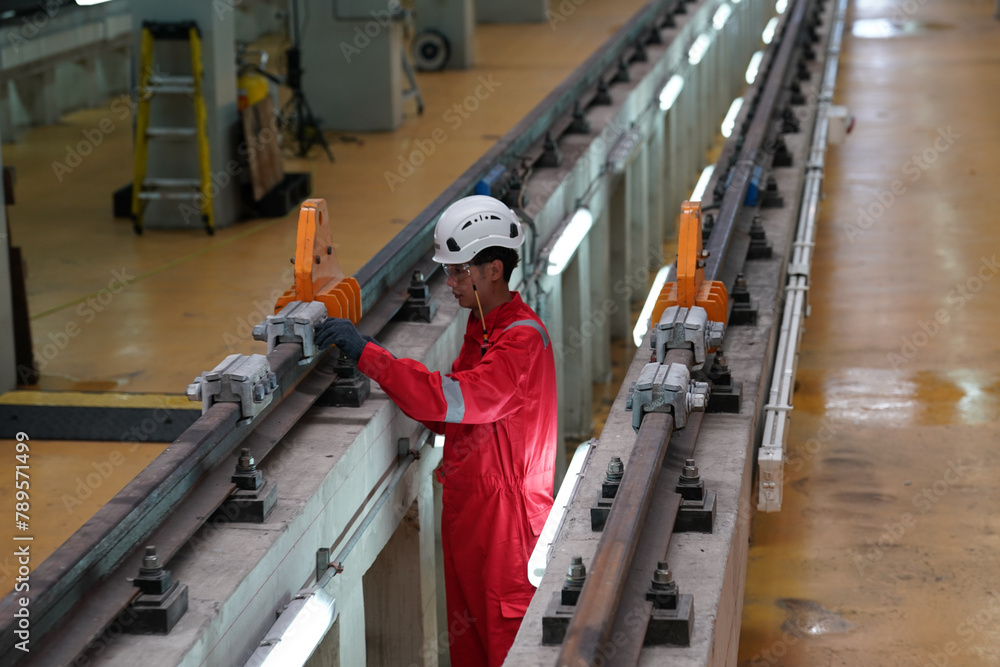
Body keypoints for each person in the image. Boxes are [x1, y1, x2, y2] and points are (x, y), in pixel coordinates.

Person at [314, 195, 557, 667]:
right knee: (469, 649)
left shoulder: (522, 340)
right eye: (448, 271)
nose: (450, 282)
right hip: (471, 514)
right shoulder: (483, 328)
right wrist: (389, 378)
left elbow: (453, 398)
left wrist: (370, 356)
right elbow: (452, 414)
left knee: (509, 647)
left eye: (459, 271)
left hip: (506, 526)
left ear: (493, 270)